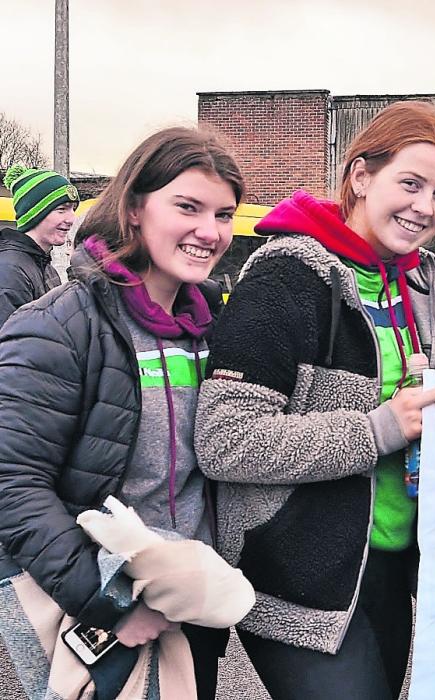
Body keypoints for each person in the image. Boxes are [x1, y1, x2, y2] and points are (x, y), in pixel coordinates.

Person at [194, 100, 435, 700]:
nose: (425, 207)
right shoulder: (287, 276)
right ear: (361, 176)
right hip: (300, 574)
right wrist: (378, 428)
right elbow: (225, 441)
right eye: (411, 183)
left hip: (391, 562)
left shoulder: (418, 282)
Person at [0, 127, 243, 699]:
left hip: (190, 599)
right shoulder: (58, 323)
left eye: (225, 214)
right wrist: (111, 604)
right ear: (135, 208)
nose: (210, 232)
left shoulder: (212, 321)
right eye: (188, 207)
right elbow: (13, 483)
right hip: (98, 607)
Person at [0, 165, 79, 327]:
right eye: (61, 209)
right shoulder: (9, 270)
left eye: (72, 209)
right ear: (34, 214)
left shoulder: (45, 267)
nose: (71, 218)